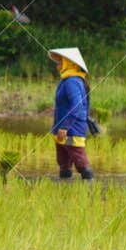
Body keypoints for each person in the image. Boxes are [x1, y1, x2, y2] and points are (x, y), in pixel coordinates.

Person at [48, 47, 94, 181]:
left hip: (71, 130)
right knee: (64, 164)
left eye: (60, 62)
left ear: (69, 63)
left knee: (81, 164)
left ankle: (91, 193)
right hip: (61, 130)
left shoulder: (72, 82)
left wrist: (65, 127)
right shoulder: (66, 80)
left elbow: (78, 106)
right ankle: (65, 193)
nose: (57, 66)